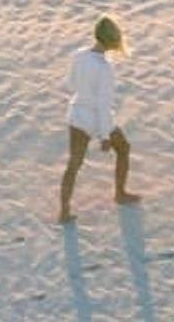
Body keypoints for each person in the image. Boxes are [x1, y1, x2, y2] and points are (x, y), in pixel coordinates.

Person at [59, 15, 140, 223]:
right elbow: (104, 106)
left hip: (77, 115)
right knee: (123, 148)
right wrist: (104, 136)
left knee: (73, 165)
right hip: (96, 118)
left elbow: (69, 84)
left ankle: (64, 211)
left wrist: (84, 92)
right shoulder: (105, 68)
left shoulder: (79, 55)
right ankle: (120, 193)